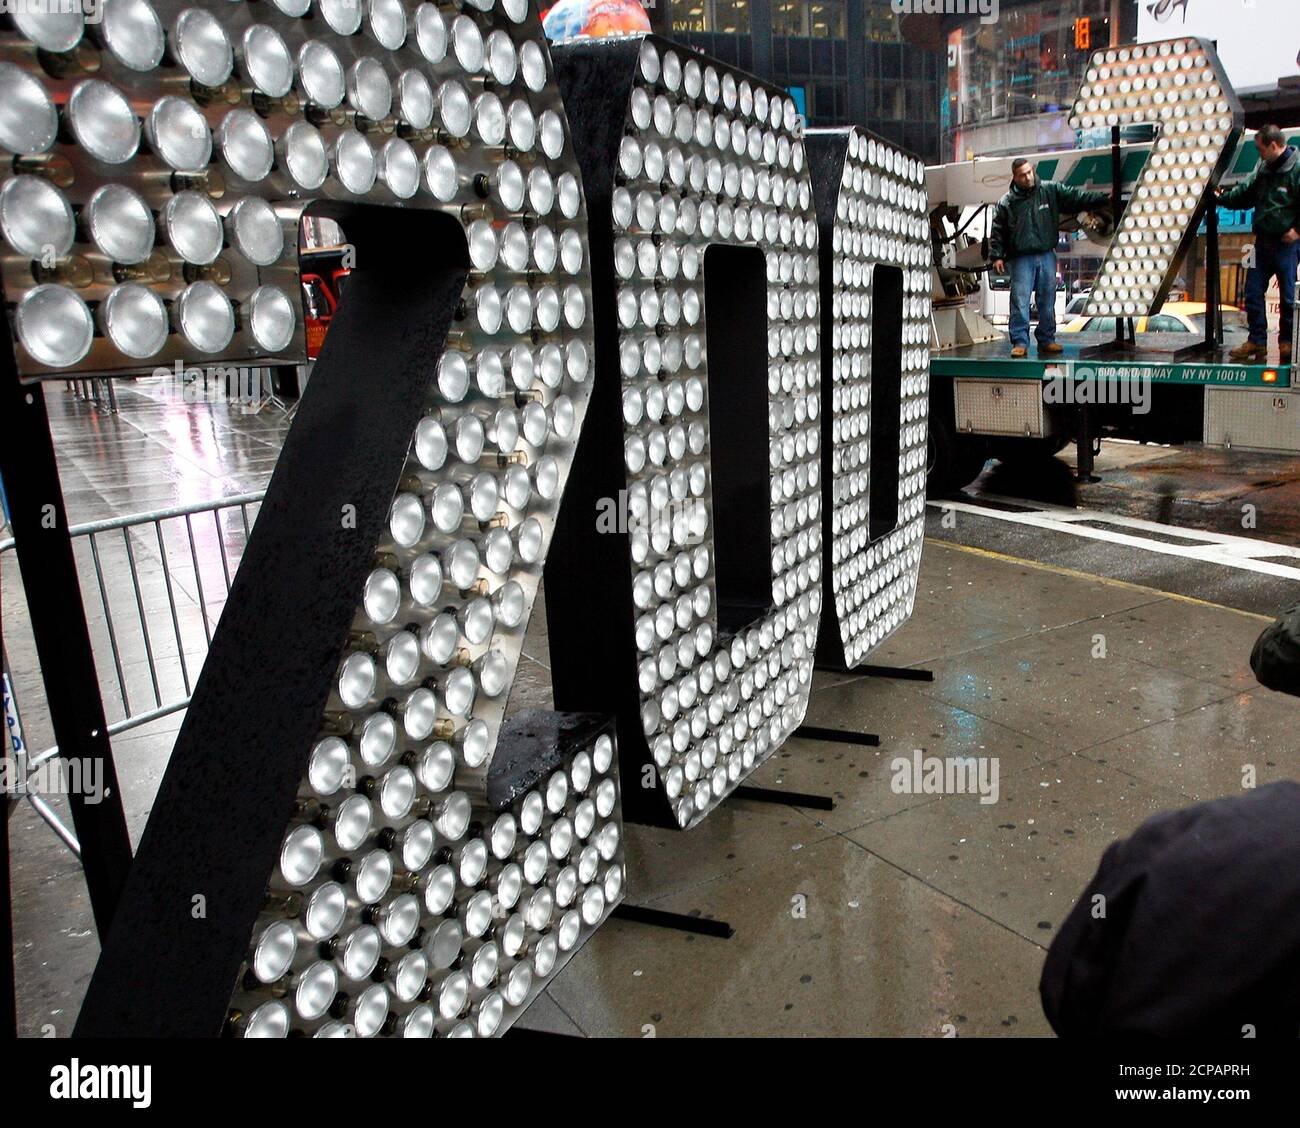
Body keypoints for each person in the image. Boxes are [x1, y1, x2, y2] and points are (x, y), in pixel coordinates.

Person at [989, 158, 1111, 358]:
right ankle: (1020, 342)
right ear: (1015, 177)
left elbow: (1076, 197)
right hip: (1021, 257)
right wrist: (997, 256)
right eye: (1022, 174)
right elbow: (998, 231)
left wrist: (1102, 199)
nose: (1028, 177)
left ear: (1033, 170)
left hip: (1046, 252)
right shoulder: (1007, 202)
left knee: (1047, 299)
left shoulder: (1049, 190)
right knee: (1019, 300)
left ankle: (1047, 340)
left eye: (1029, 172)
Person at [1216, 125, 1300, 365]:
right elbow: (1245, 193)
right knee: (1253, 292)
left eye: (1260, 149)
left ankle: (1287, 342)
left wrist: (1297, 232)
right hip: (1263, 243)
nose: (1259, 154)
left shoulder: (1297, 169)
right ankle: (1257, 341)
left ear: (1273, 145)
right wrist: (1221, 198)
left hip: (1286, 244)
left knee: (1287, 296)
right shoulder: (1263, 170)